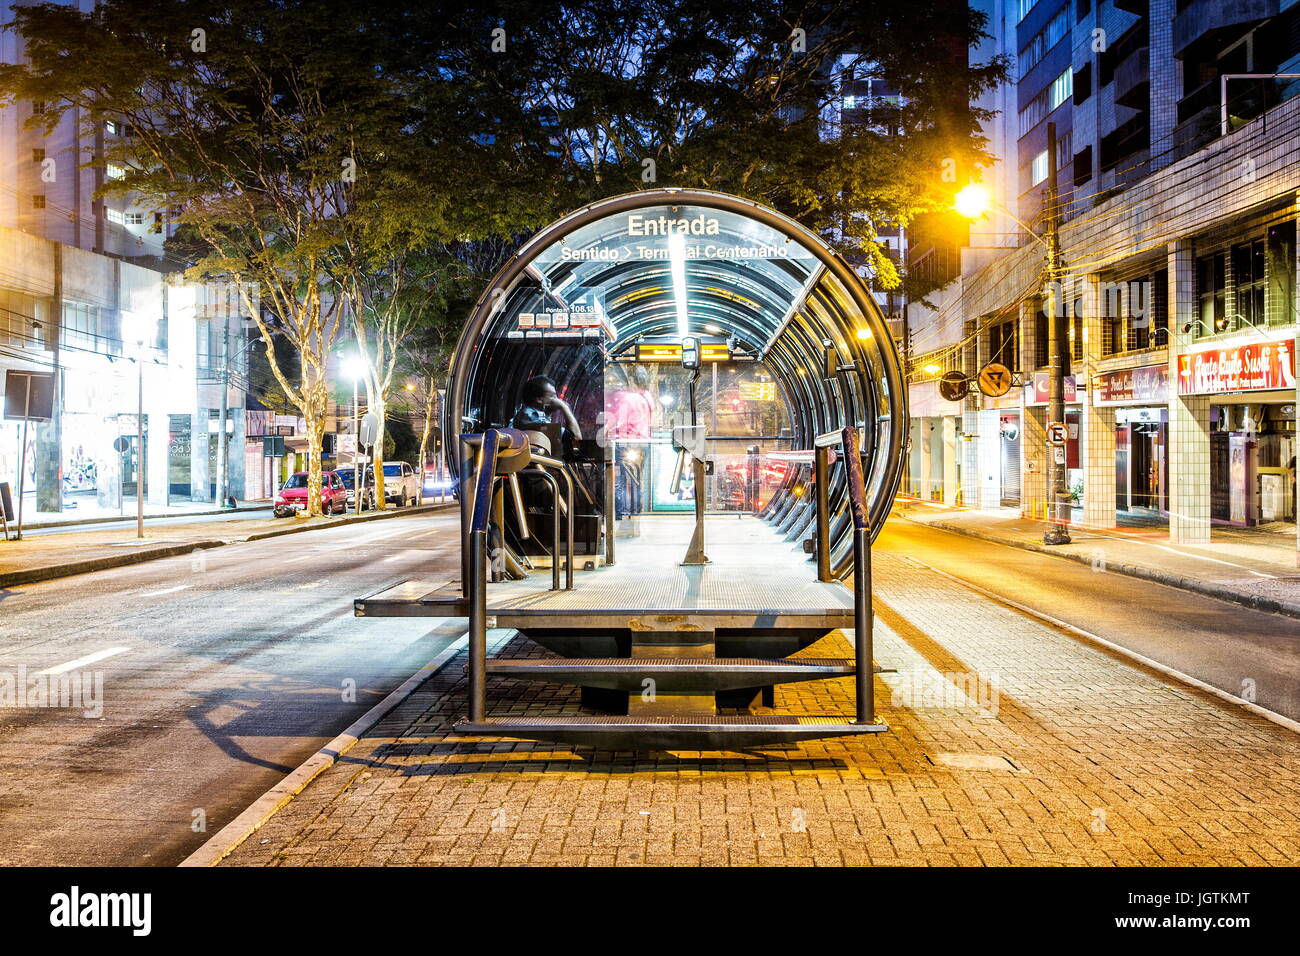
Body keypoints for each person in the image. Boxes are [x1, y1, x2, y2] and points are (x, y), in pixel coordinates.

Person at [511, 375, 582, 440]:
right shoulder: (530, 416)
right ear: (539, 399)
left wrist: (548, 412)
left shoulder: (530, 415)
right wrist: (565, 408)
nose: (557, 400)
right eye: (552, 396)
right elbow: (576, 438)